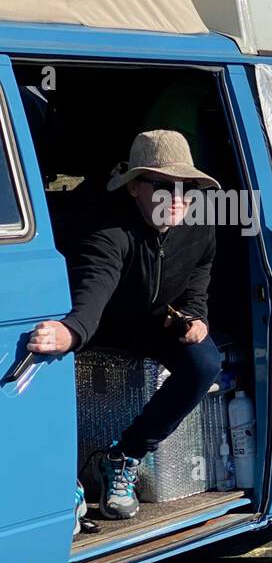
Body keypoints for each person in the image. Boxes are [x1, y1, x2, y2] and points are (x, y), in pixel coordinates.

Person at [26, 130, 222, 520]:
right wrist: (72, 331)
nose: (177, 196)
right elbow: (94, 285)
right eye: (163, 185)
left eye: (186, 186)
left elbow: (202, 267)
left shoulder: (199, 226)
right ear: (134, 188)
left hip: (152, 321)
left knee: (204, 363)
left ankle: (124, 457)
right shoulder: (107, 229)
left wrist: (195, 314)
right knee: (42, 357)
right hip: (99, 320)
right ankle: (61, 481)